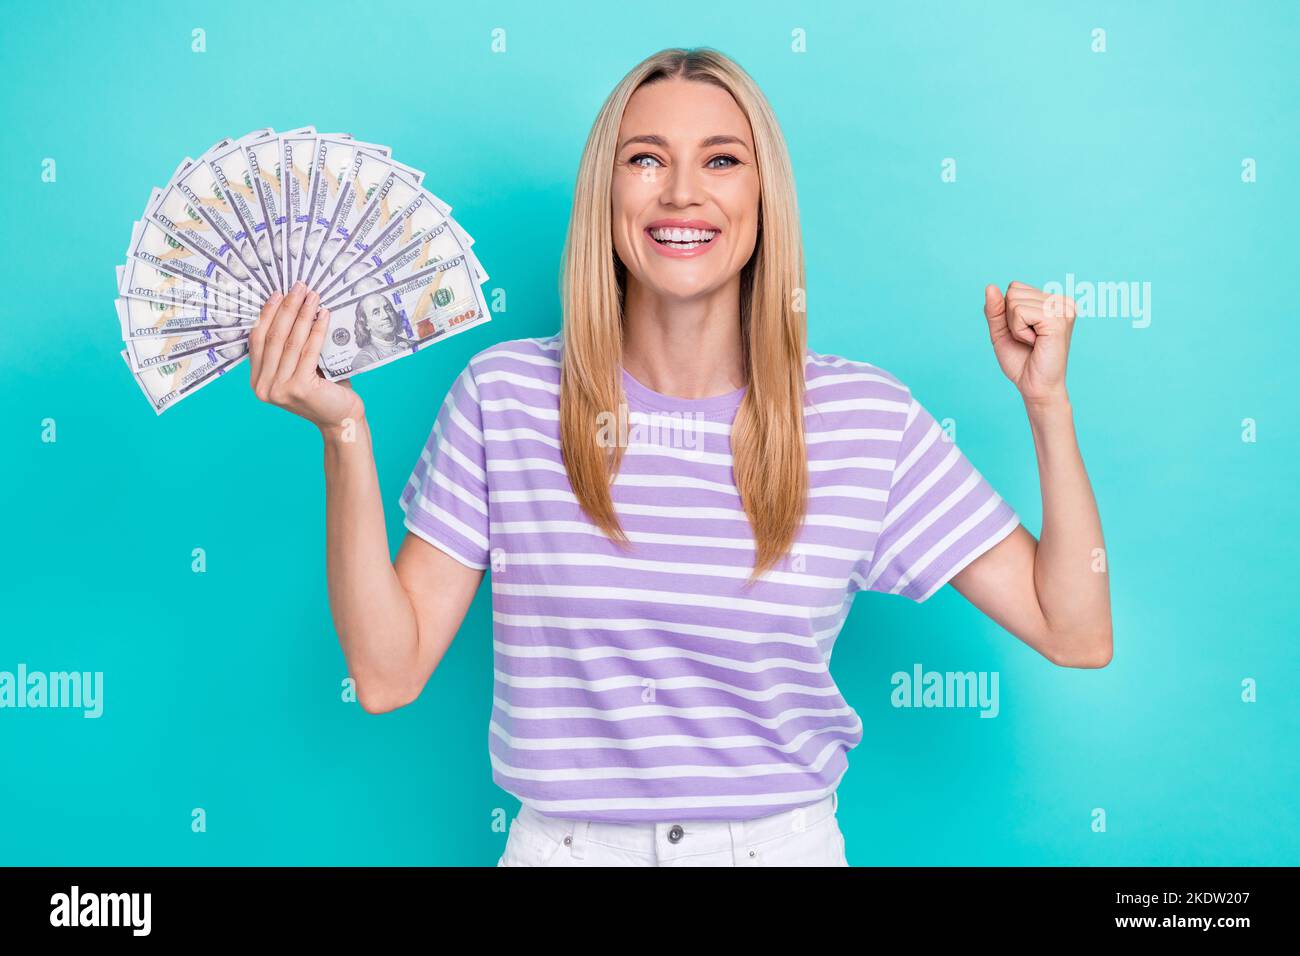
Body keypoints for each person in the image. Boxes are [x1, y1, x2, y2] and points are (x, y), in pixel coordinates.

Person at [246, 47, 1112, 867]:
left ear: (765, 195)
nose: (683, 193)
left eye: (723, 160)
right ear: (607, 192)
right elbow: (387, 674)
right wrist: (344, 432)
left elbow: (1074, 631)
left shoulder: (863, 418)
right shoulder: (502, 397)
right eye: (647, 159)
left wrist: (1047, 404)